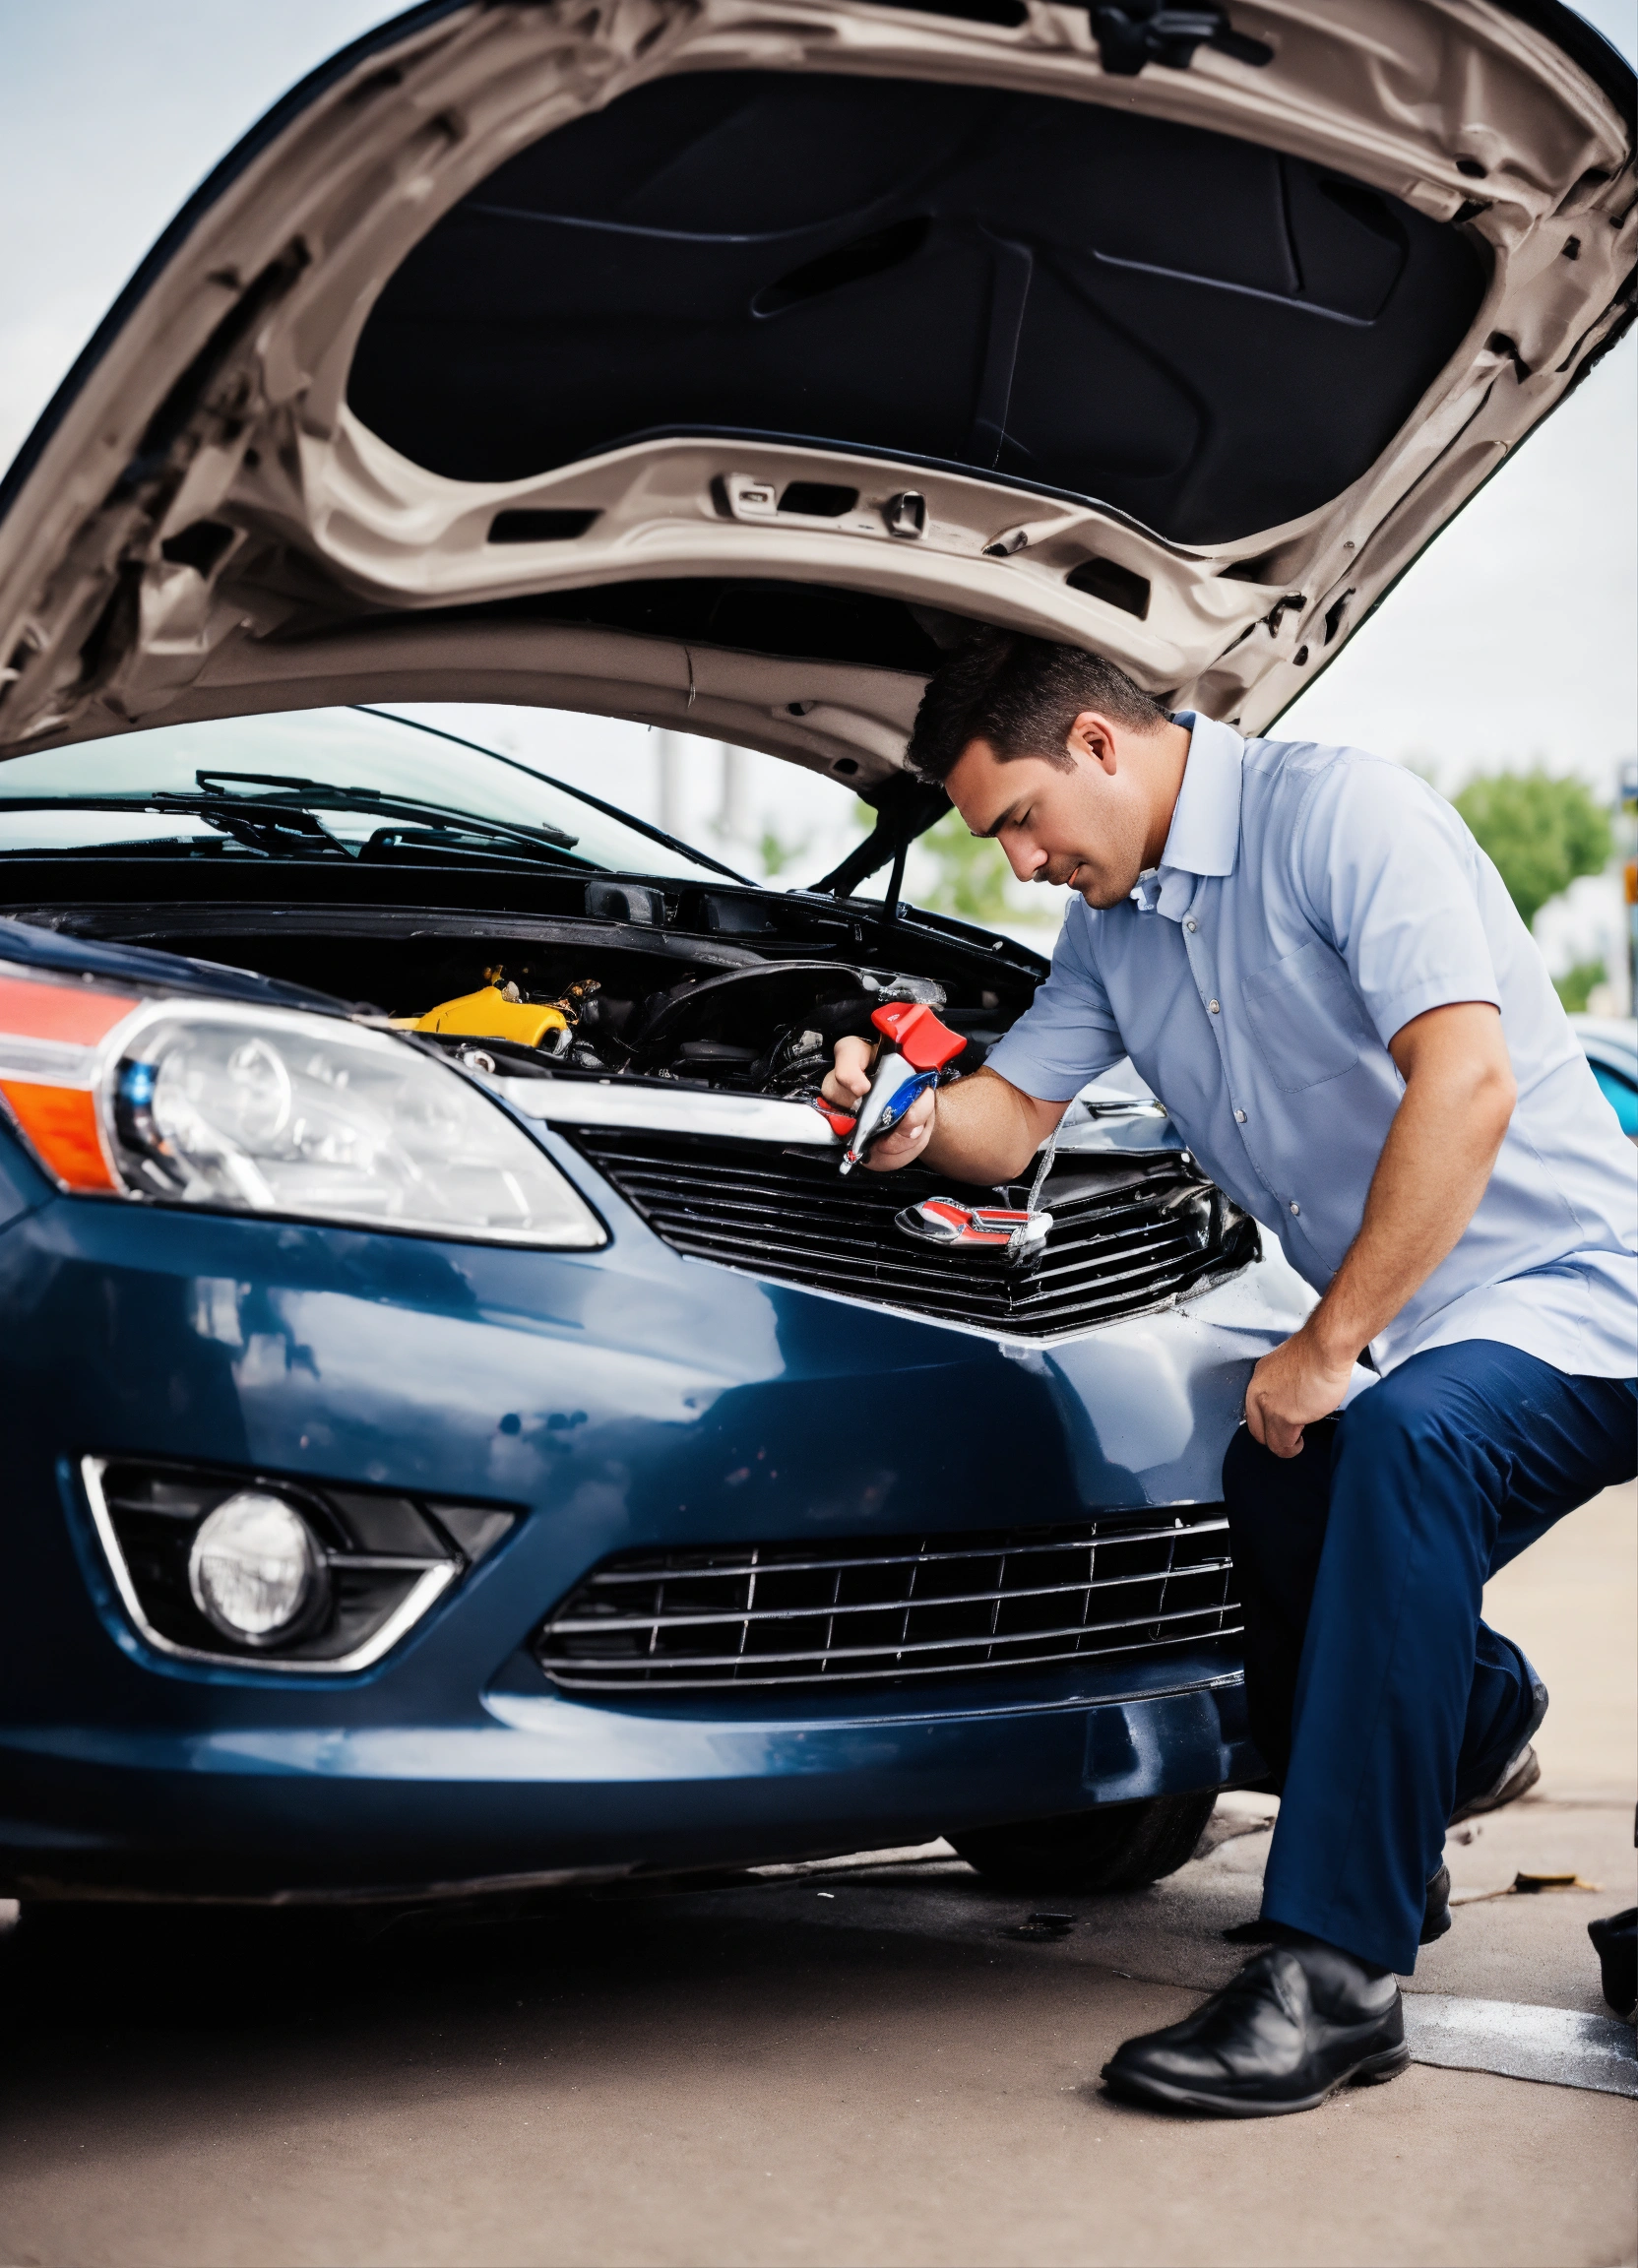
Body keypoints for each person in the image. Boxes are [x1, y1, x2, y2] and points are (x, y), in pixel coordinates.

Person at [823, 630, 1638, 2117]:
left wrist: (1325, 1344)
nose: (1021, 864)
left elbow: (1467, 1083)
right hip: (1431, 1328)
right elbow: (1010, 1120)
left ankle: (1341, 1975)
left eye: (1021, 821)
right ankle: (1451, 1745)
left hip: (1589, 1293)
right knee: (1279, 1476)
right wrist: (907, 1119)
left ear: (1097, 743)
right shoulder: (1114, 937)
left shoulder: (1340, 818)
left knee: (1399, 1441)